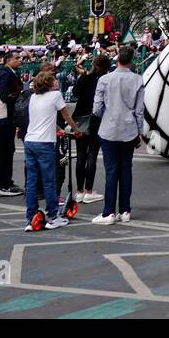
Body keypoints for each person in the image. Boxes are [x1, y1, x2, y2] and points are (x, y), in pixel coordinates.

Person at [91, 45, 146, 225]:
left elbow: (97, 109)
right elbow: (139, 111)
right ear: (131, 60)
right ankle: (125, 210)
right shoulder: (138, 80)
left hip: (109, 129)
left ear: (117, 59)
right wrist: (139, 132)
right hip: (129, 129)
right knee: (126, 169)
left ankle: (108, 212)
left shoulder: (105, 80)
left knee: (111, 171)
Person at [22, 69, 81, 230]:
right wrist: (76, 130)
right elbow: (66, 116)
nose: (56, 81)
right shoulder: (55, 96)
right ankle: (53, 216)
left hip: (30, 141)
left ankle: (31, 216)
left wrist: (57, 128)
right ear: (48, 83)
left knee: (32, 182)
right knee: (49, 181)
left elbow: (43, 118)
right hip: (44, 143)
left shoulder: (33, 97)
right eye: (53, 80)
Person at [71, 53, 110, 203]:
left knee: (80, 154)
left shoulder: (86, 77)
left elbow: (75, 93)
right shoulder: (105, 81)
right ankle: (89, 191)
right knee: (92, 155)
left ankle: (79, 191)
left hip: (80, 117)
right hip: (96, 119)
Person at [0, 50, 24, 197]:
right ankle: (2, 184)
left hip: (3, 118)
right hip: (2, 118)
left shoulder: (8, 73)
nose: (20, 60)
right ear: (8, 61)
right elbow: (5, 96)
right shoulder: (5, 74)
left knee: (7, 151)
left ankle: (6, 181)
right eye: (17, 58)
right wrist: (20, 98)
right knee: (4, 152)